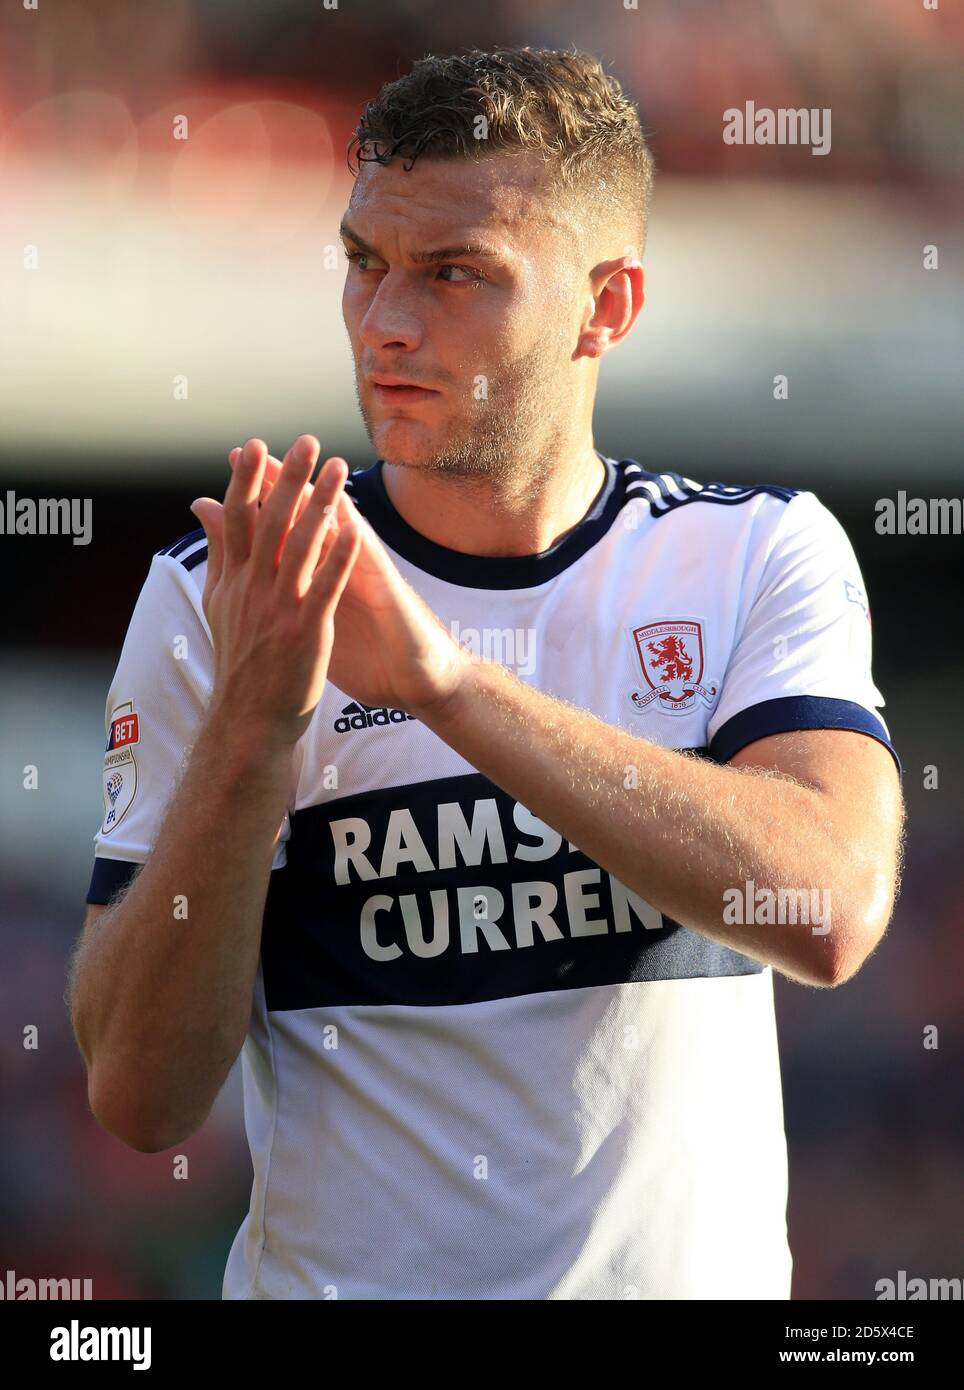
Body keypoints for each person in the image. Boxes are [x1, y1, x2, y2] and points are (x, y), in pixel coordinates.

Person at [68, 46, 904, 1300]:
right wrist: (252, 729)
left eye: (456, 273)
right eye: (365, 264)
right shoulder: (227, 585)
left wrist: (448, 685)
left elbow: (827, 910)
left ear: (606, 305)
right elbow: (139, 1098)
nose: (387, 322)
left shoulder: (748, 552)